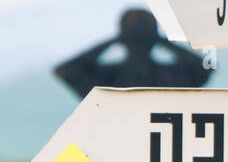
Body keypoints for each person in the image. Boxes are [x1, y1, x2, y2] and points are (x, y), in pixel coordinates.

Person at [54, 8, 207, 96]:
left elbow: (67, 70)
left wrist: (116, 40)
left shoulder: (105, 79)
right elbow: (203, 67)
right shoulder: (171, 75)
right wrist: (160, 40)